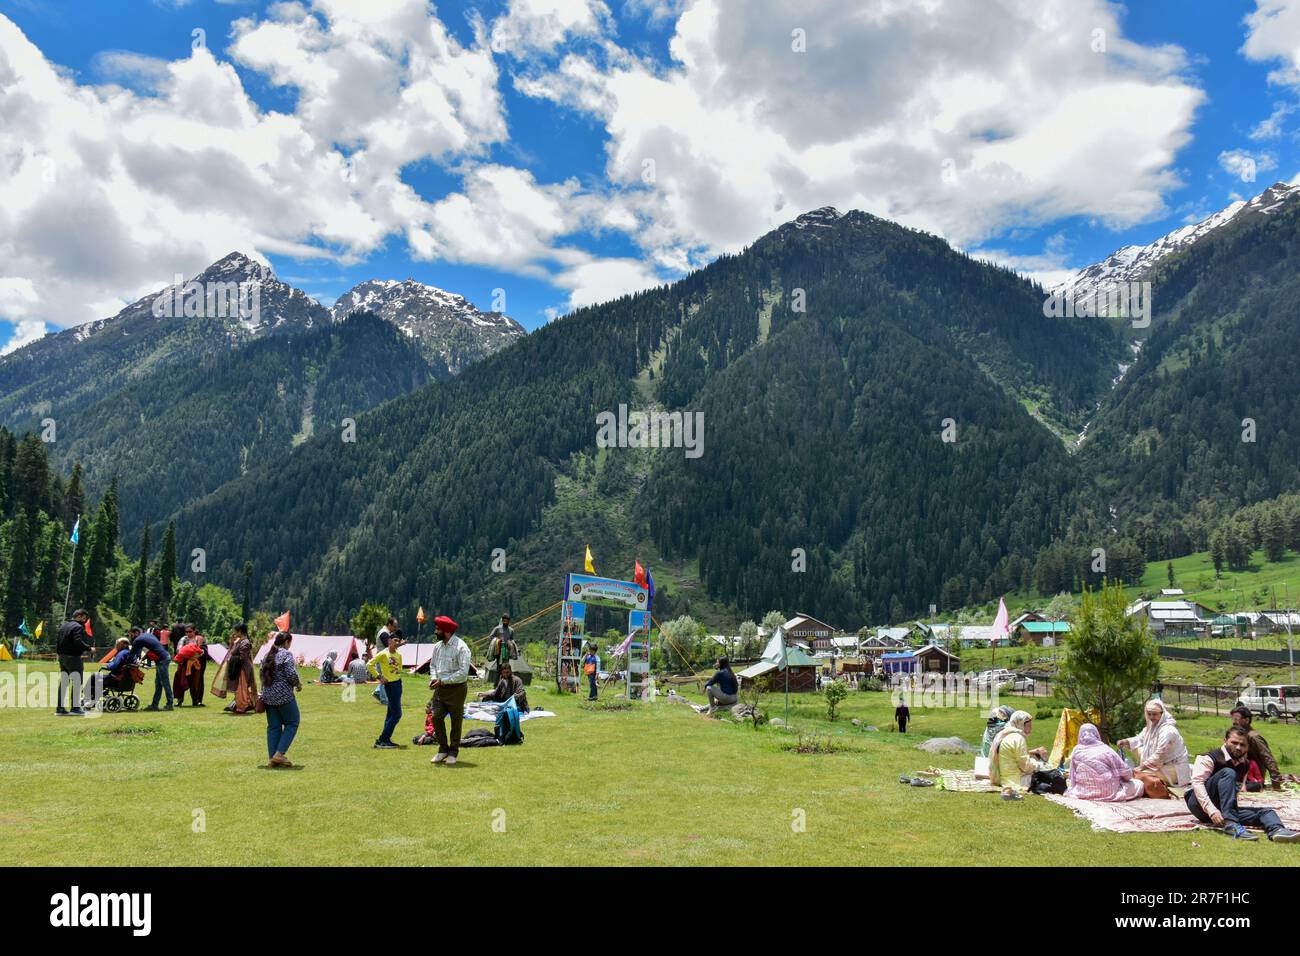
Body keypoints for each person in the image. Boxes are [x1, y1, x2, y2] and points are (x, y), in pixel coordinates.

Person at [1186, 727, 1299, 842]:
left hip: (1223, 811)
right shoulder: (1208, 758)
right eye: (1234, 743)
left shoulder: (1244, 764)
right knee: (1228, 772)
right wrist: (1212, 811)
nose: (1238, 747)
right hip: (1199, 806)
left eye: (1242, 745)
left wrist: (1228, 810)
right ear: (1225, 741)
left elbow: (1233, 791)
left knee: (1266, 811)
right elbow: (1197, 784)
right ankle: (1232, 825)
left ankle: (1278, 832)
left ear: (1248, 747)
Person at [427, 615, 471, 765]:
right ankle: (443, 749)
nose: (435, 631)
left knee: (455, 722)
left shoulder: (462, 648)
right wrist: (434, 678)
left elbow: (463, 673)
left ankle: (453, 752)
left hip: (457, 689)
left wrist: (442, 681)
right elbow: (432, 665)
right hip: (440, 688)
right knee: (436, 717)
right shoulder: (437, 647)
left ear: (446, 631)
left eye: (437, 629)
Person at [1118, 698, 1192, 786]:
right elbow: (1140, 738)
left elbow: (1159, 754)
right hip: (1160, 763)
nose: (1151, 717)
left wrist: (1141, 767)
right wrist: (1126, 741)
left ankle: (1156, 775)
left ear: (1162, 714)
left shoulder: (1168, 731)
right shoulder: (1153, 726)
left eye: (1154, 714)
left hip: (1174, 768)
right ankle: (1146, 769)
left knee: (1139, 775)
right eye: (1149, 714)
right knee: (1135, 747)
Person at [1064, 723, 1144, 802]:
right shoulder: (1106, 750)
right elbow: (1127, 774)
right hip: (1109, 793)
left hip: (1083, 792)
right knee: (1139, 784)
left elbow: (1073, 775)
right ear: (1096, 734)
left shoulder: (1076, 751)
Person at [260, 631, 301, 768]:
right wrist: (298, 684)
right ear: (286, 642)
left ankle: (273, 759)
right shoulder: (286, 654)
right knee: (292, 722)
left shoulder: (267, 655)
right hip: (284, 696)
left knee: (273, 727)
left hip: (268, 695)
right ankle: (279, 754)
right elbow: (291, 673)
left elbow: (261, 674)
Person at [1229, 705, 1295, 790]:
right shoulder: (1239, 736)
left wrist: (1276, 785)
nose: (1234, 722)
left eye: (1236, 719)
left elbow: (1268, 759)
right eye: (1232, 719)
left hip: (1253, 780)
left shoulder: (1253, 737)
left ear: (1247, 720)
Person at [988, 710, 1049, 800]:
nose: (1031, 729)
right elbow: (1025, 766)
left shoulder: (1005, 734)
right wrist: (1040, 765)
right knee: (1048, 776)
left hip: (1005, 778)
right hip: (1016, 781)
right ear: (1020, 724)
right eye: (1028, 726)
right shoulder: (1018, 738)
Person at [368, 630, 406, 749]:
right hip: (390, 685)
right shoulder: (383, 654)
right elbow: (369, 665)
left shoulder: (398, 655)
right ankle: (383, 739)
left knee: (391, 713)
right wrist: (379, 677)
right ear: (389, 641)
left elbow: (398, 669)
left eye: (398, 641)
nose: (397, 643)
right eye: (395, 640)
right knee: (397, 714)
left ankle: (385, 739)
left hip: (398, 683)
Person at [55, 609, 94, 716]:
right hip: (74, 658)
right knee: (77, 682)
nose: (85, 621)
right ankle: (75, 708)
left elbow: (58, 642)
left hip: (62, 657)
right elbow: (78, 642)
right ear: (79, 616)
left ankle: (60, 708)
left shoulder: (63, 626)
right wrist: (89, 648)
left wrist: (60, 654)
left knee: (63, 683)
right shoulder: (78, 627)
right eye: (84, 618)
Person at [132, 627, 174, 711]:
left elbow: (133, 652)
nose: (131, 636)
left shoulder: (138, 639)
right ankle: (154, 705)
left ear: (136, 632)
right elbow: (151, 649)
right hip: (164, 657)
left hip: (162, 660)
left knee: (165, 682)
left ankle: (170, 704)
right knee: (158, 683)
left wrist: (131, 661)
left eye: (131, 634)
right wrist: (141, 660)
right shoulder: (148, 636)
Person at [223, 624, 258, 715]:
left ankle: (242, 706)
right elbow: (233, 651)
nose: (234, 633)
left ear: (240, 631)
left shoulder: (245, 642)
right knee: (240, 687)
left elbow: (243, 657)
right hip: (239, 666)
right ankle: (245, 704)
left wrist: (232, 659)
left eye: (235, 631)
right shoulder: (240, 641)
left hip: (242, 667)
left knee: (241, 687)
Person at [172, 630, 207, 707]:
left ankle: (196, 701)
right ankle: (179, 700)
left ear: (194, 631)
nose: (188, 633)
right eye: (186, 632)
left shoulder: (199, 639)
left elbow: (204, 651)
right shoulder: (183, 639)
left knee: (195, 684)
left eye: (190, 631)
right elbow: (179, 650)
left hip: (195, 665)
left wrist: (196, 655)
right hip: (183, 664)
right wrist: (189, 655)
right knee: (180, 682)